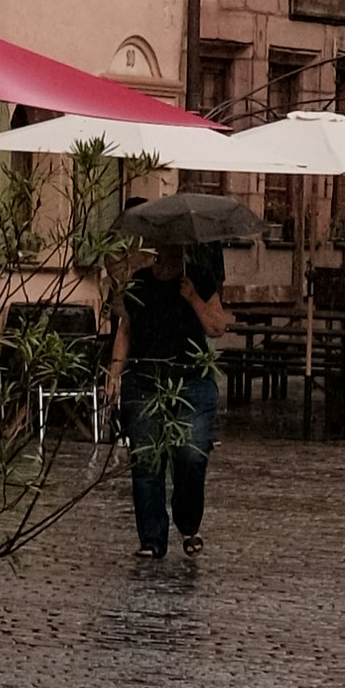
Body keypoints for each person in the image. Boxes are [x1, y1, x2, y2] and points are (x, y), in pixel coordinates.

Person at [114, 233, 221, 587]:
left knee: (191, 455)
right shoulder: (140, 283)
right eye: (165, 242)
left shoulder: (200, 277)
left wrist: (192, 298)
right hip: (145, 379)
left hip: (192, 380)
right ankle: (152, 540)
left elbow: (217, 327)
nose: (171, 249)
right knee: (146, 461)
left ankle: (188, 524)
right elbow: (125, 329)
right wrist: (113, 374)